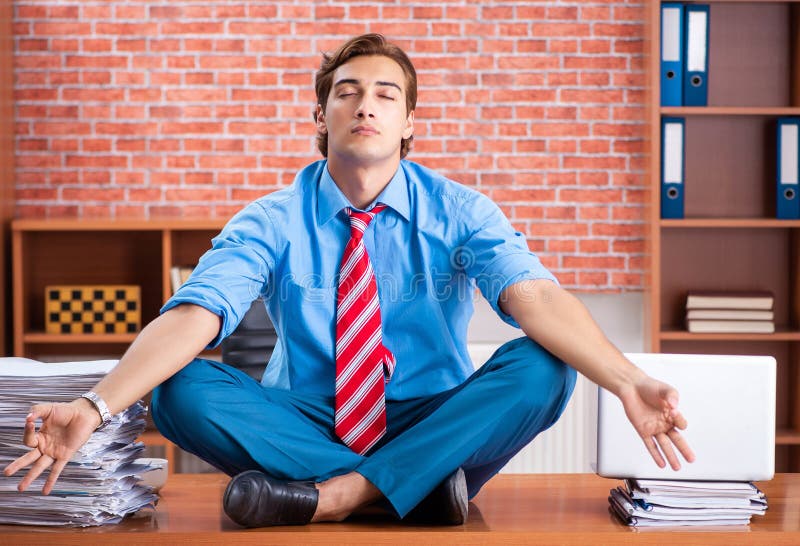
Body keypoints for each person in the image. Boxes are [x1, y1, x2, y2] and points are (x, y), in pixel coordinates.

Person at [3, 34, 695, 527]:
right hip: (305, 419)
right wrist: (93, 408)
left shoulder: (459, 209)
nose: (366, 104)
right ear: (321, 117)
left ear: (408, 122)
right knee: (180, 388)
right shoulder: (271, 218)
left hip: (433, 418)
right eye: (347, 92)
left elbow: (533, 296)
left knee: (544, 369)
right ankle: (410, 494)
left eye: (385, 94)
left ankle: (334, 498)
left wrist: (628, 380)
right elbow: (198, 314)